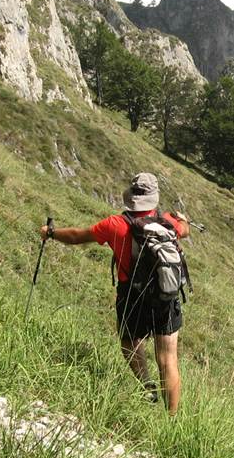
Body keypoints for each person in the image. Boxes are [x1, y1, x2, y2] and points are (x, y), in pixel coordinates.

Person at [40, 173, 190, 415]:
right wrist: (183, 221)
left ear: (131, 197)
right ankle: (172, 420)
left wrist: (51, 232)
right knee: (168, 360)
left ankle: (146, 386)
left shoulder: (114, 225)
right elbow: (184, 230)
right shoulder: (168, 223)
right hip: (166, 295)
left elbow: (78, 236)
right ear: (154, 199)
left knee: (129, 342)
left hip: (132, 295)